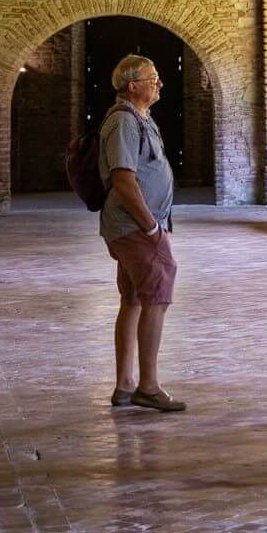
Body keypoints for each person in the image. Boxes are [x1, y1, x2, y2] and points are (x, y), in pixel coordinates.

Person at [100, 53, 184, 413]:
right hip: (135, 226)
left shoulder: (140, 118)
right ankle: (147, 386)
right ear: (133, 85)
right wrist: (151, 226)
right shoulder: (124, 122)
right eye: (153, 78)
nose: (159, 83)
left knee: (134, 298)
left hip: (138, 225)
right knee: (157, 297)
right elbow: (124, 180)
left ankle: (125, 384)